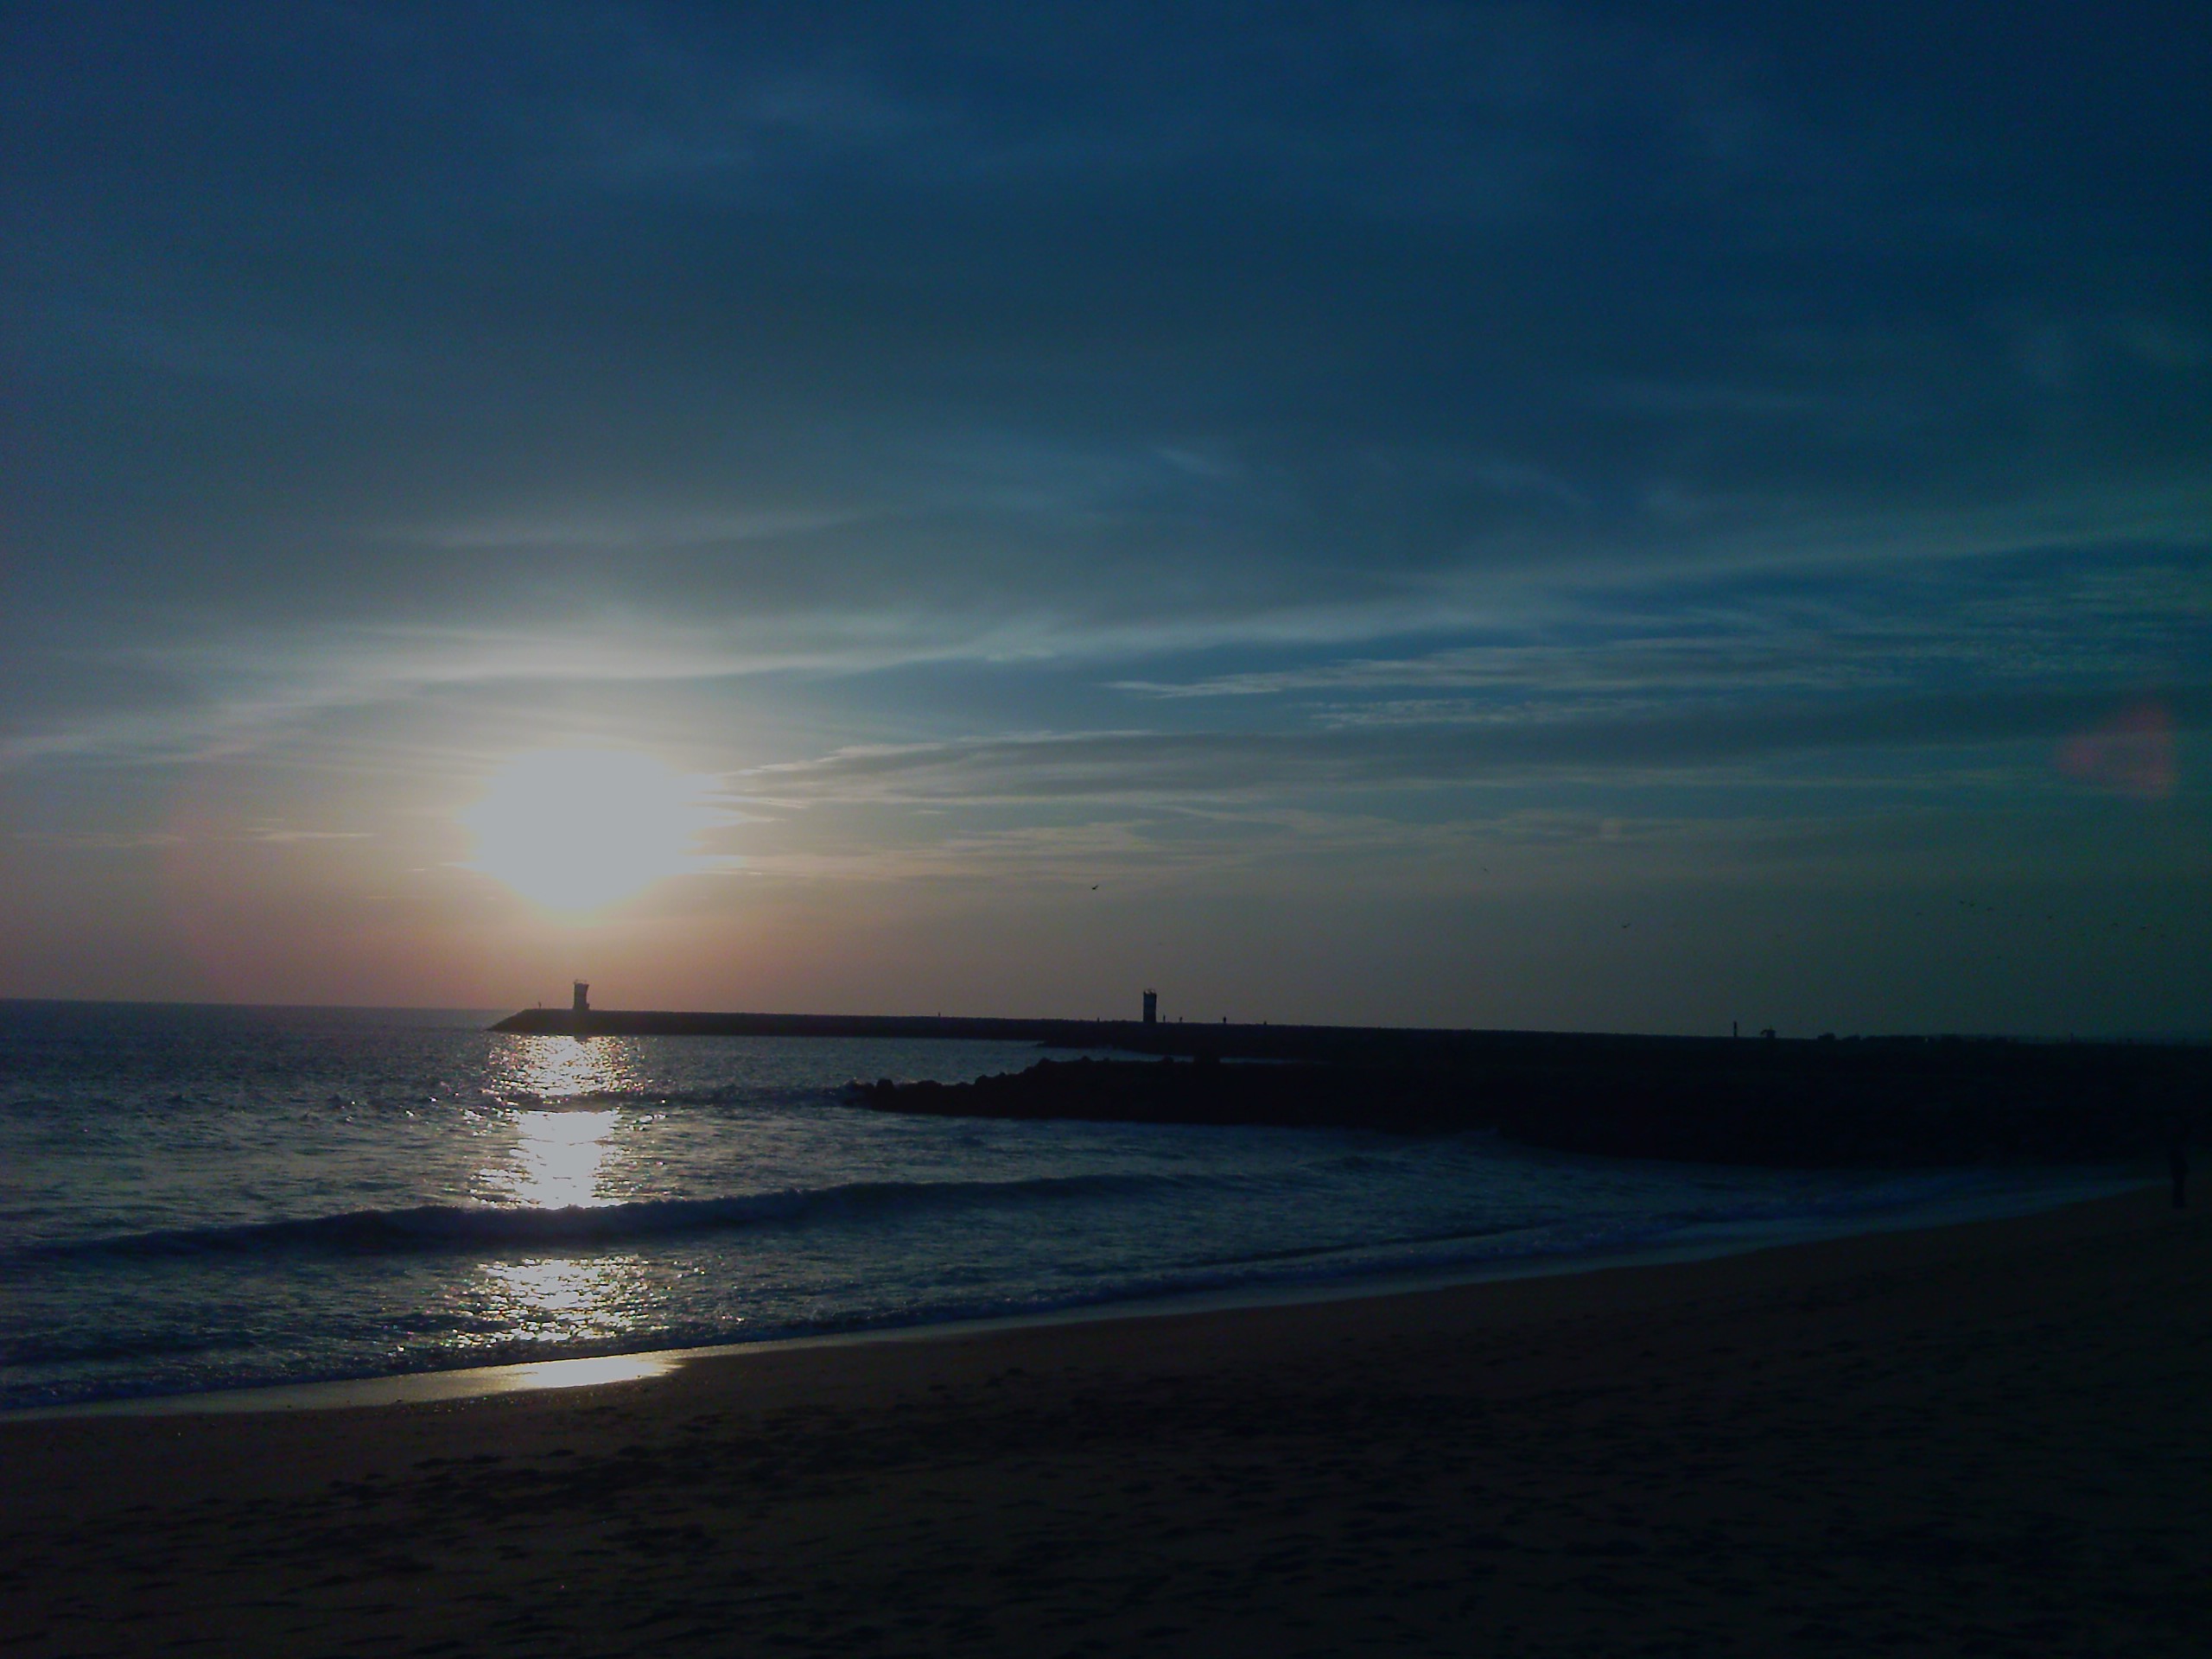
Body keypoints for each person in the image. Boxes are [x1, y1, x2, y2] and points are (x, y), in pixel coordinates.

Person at [2171, 1141, 2189, 1210]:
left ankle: (2178, 1202)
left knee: (2178, 1187)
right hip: (2178, 1172)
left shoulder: (2175, 1154)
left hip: (2177, 1172)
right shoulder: (2178, 1154)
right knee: (2179, 1187)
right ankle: (2179, 1202)